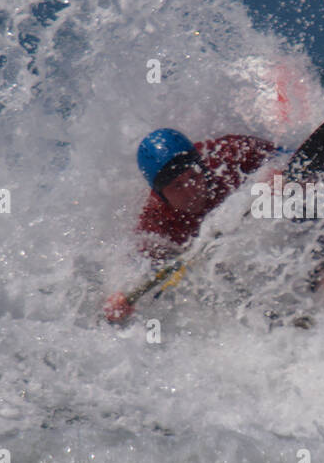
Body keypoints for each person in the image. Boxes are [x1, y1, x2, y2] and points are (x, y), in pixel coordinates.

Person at [102, 128, 282, 322]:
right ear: (162, 195)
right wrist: (121, 298)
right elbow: (137, 265)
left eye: (193, 176)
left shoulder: (228, 156)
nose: (191, 190)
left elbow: (288, 156)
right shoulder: (158, 221)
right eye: (177, 186)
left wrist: (277, 175)